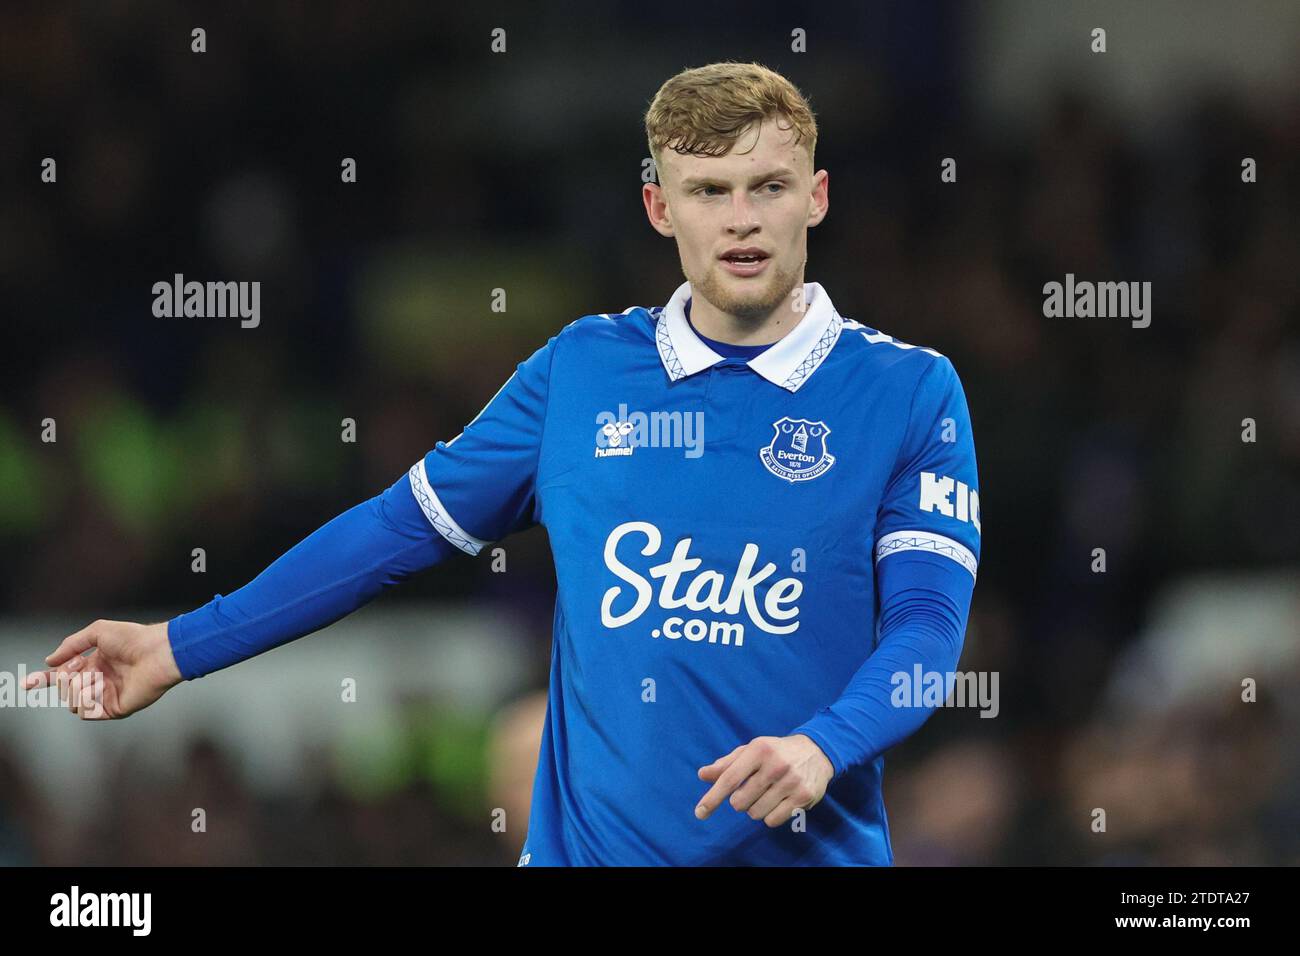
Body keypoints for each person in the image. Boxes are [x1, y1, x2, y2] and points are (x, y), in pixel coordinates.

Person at [25, 61, 981, 866]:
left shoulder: (908, 393)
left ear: (814, 196)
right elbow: (396, 530)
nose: (741, 220)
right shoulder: (579, 373)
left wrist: (823, 745)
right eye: (708, 191)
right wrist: (176, 647)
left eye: (768, 187)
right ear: (659, 206)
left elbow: (928, 631)